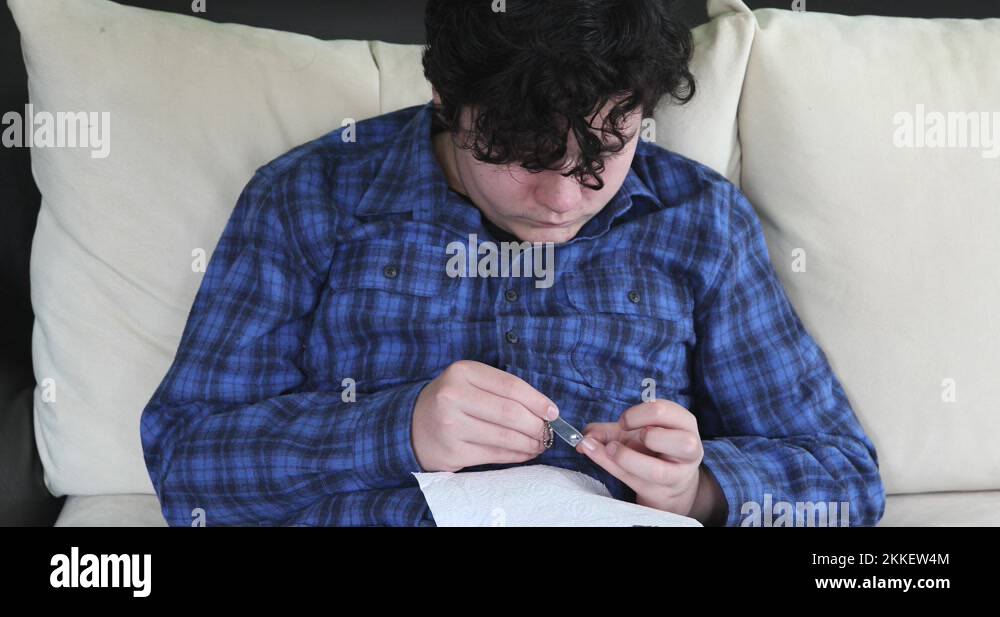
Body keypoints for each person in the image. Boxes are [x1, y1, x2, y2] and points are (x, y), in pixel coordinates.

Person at [140, 0, 885, 527]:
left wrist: (697, 492)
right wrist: (398, 429)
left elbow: (845, 479)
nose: (560, 200)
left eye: (604, 153)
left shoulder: (699, 221)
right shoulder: (310, 198)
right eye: (524, 155)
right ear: (445, 100)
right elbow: (186, 469)